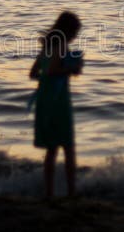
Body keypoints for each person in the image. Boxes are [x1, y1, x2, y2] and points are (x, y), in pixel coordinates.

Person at [29, 11, 83, 198]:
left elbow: (34, 73)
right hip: (58, 101)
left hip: (44, 99)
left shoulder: (47, 46)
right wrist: (72, 68)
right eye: (75, 32)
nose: (75, 36)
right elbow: (53, 70)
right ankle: (71, 192)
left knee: (52, 149)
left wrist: (53, 74)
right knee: (68, 147)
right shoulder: (61, 46)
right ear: (68, 31)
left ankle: (49, 193)